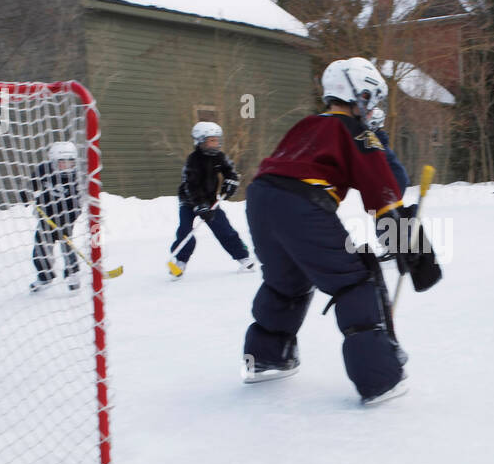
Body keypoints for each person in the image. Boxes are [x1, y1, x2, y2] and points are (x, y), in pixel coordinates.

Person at [241, 57, 440, 406]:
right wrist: (416, 252)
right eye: (372, 99)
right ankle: (379, 379)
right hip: (301, 202)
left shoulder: (307, 124)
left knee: (285, 281)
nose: (373, 108)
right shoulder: (359, 133)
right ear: (359, 95)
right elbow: (384, 197)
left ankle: (267, 358)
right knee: (354, 279)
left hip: (260, 199)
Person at [167, 122, 256, 280]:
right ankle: (180, 261)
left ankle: (242, 256)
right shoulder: (193, 161)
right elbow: (191, 185)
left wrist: (231, 182)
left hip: (210, 200)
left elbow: (230, 171)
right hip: (189, 201)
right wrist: (200, 206)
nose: (216, 144)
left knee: (224, 229)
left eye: (217, 140)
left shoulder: (219, 157)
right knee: (185, 231)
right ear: (200, 141)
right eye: (211, 140)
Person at [25, 141, 82, 293]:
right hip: (46, 216)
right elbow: (32, 184)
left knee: (67, 246)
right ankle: (45, 277)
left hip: (66, 217)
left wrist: (67, 219)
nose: (66, 165)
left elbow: (77, 204)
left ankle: (72, 275)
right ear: (53, 161)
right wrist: (26, 195)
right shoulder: (44, 169)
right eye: (62, 162)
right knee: (40, 247)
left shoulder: (75, 178)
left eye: (70, 162)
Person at [368, 106, 410, 191]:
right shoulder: (374, 141)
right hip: (391, 182)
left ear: (373, 123)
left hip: (396, 183)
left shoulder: (377, 145)